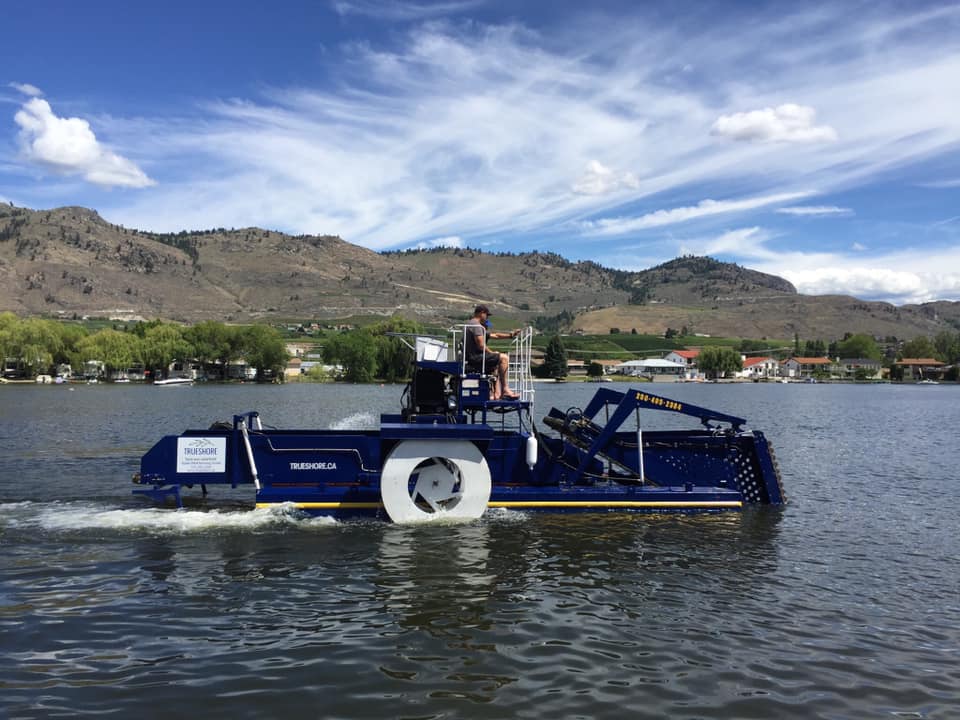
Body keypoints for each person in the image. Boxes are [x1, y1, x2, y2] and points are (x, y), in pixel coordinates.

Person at [465, 304, 520, 400]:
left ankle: (497, 393)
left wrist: (510, 335)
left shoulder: (473, 324)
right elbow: (481, 345)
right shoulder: (476, 326)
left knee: (498, 360)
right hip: (475, 358)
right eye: (487, 315)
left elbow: (496, 335)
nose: (487, 318)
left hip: (473, 356)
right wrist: (492, 353)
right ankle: (505, 390)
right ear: (482, 313)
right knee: (504, 358)